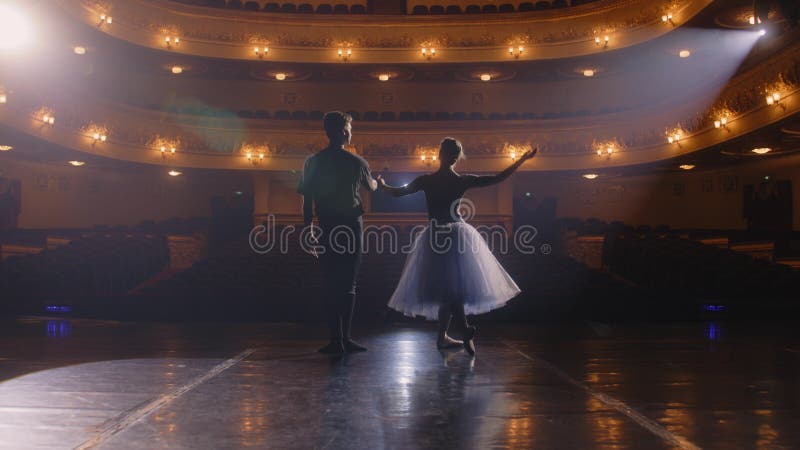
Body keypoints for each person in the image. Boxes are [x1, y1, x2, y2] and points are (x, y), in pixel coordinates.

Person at [377, 138, 535, 355]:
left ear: (441, 154)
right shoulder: (462, 181)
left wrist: (382, 185)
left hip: (437, 236)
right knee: (452, 289)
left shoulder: (427, 180)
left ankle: (450, 334)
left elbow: (397, 192)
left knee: (448, 290)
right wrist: (521, 160)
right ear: (455, 158)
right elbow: (498, 178)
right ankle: (459, 330)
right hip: (456, 236)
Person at [297, 111, 378, 354]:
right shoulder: (357, 162)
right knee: (348, 284)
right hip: (351, 227)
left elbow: (307, 199)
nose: (351, 132)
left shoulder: (313, 161)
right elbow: (371, 187)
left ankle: (336, 339)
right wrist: (377, 181)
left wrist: (307, 228)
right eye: (350, 128)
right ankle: (346, 338)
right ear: (343, 131)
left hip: (327, 226)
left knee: (330, 283)